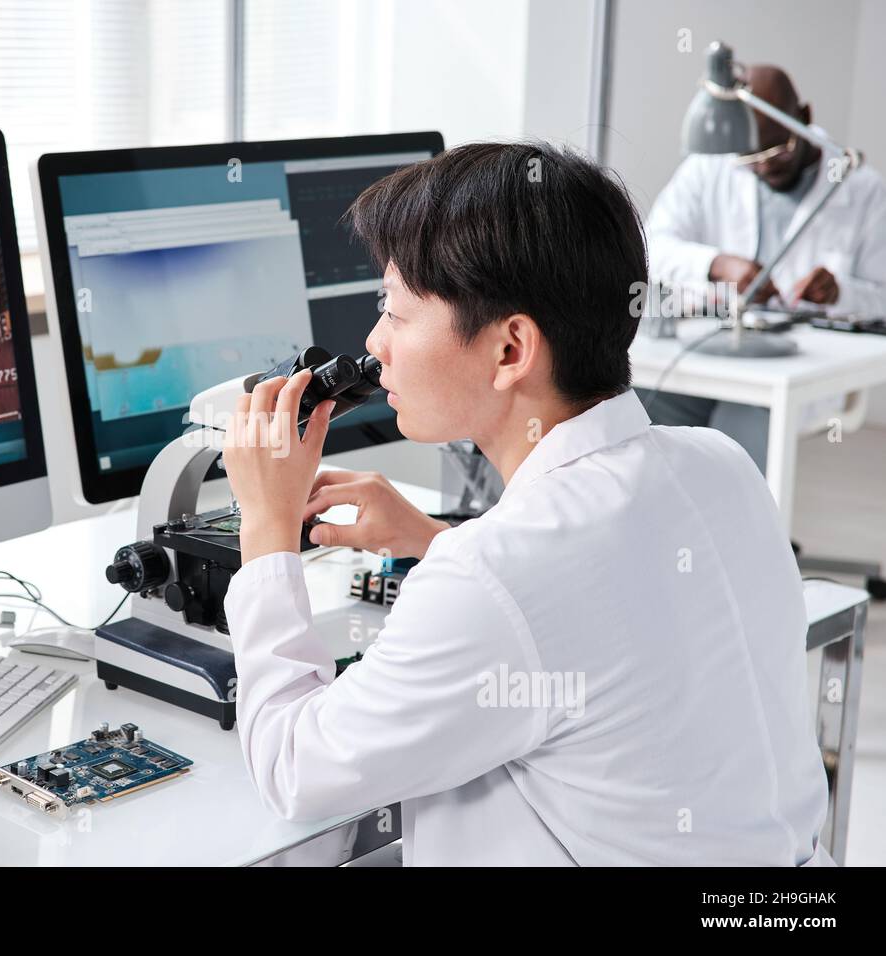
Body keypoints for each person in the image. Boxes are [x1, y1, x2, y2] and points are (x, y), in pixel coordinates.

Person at [219, 142, 831, 866]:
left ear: (511, 349)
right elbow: (592, 601)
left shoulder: (495, 576)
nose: (374, 344)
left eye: (397, 311)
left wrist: (265, 530)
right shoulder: (719, 463)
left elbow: (295, 768)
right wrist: (437, 540)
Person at [640, 64, 886, 470]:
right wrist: (716, 264)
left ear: (804, 117)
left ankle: (735, 533)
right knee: (643, 407)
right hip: (710, 352)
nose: (765, 166)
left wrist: (840, 292)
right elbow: (650, 247)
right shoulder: (714, 164)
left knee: (733, 434)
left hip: (795, 368)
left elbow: (881, 300)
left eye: (777, 150)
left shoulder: (861, 188)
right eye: (751, 158)